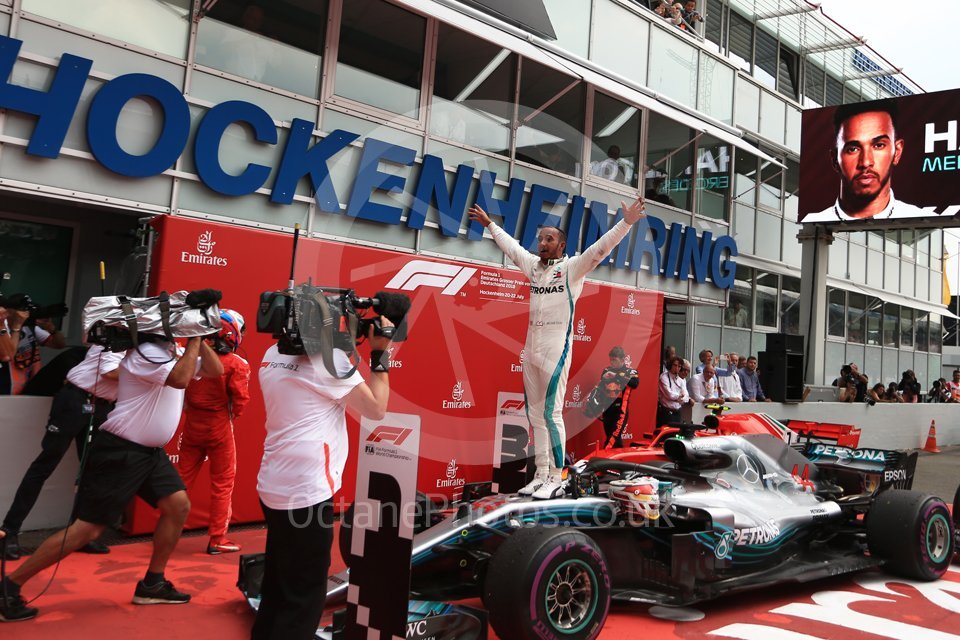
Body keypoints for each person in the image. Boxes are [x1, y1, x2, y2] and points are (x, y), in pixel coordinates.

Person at [0, 329, 223, 623]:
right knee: (86, 531)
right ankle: (9, 587)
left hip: (149, 454)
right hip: (122, 451)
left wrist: (199, 339)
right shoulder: (146, 352)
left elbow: (215, 370)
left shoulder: (171, 352)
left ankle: (152, 583)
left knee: (177, 506)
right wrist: (194, 339)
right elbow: (180, 379)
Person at [468, 197, 646, 500]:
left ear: (561, 245)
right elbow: (512, 248)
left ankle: (557, 475)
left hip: (556, 347)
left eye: (549, 239)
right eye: (540, 238)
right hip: (531, 348)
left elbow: (600, 248)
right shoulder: (534, 269)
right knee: (534, 415)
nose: (542, 242)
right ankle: (540, 473)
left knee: (551, 414)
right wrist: (490, 226)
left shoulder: (573, 268)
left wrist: (626, 222)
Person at [252, 317, 394, 640]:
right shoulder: (327, 362)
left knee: (278, 580)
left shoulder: (273, 353)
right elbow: (376, 408)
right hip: (308, 491)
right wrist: (380, 352)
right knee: (304, 596)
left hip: (274, 483)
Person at [1, 344, 124, 561]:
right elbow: (111, 372)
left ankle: (78, 535)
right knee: (45, 464)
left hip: (103, 405)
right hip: (75, 400)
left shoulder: (147, 345)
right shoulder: (112, 337)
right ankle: (9, 531)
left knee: (92, 469)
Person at [178, 309, 251, 555]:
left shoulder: (190, 358)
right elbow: (240, 401)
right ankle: (217, 539)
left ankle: (167, 528)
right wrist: (231, 417)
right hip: (219, 426)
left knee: (181, 481)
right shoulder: (237, 364)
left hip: (192, 426)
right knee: (222, 484)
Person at [802, 100, 929, 223]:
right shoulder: (812, 221)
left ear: (897, 152)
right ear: (835, 159)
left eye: (878, 145)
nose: (866, 162)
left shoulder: (921, 217)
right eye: (853, 149)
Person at [0, 294, 67, 395]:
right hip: (6, 390)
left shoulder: (29, 328)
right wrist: (16, 327)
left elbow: (59, 344)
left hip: (29, 389)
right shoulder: (3, 329)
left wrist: (51, 328)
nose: (26, 313)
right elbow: (8, 356)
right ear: (9, 311)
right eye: (22, 310)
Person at [597, 346, 639, 449]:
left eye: (614, 360)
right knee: (613, 440)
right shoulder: (606, 370)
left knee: (612, 440)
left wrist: (617, 375)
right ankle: (618, 463)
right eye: (611, 360)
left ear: (622, 360)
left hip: (620, 411)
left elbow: (635, 384)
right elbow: (602, 387)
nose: (612, 362)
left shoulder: (631, 372)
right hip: (607, 409)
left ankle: (604, 461)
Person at [658, 356, 690, 427]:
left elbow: (686, 397)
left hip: (677, 412)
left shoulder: (681, 380)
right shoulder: (664, 376)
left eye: (679, 366)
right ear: (670, 365)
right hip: (666, 412)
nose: (677, 368)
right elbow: (669, 394)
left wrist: (680, 398)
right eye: (675, 365)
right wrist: (679, 397)